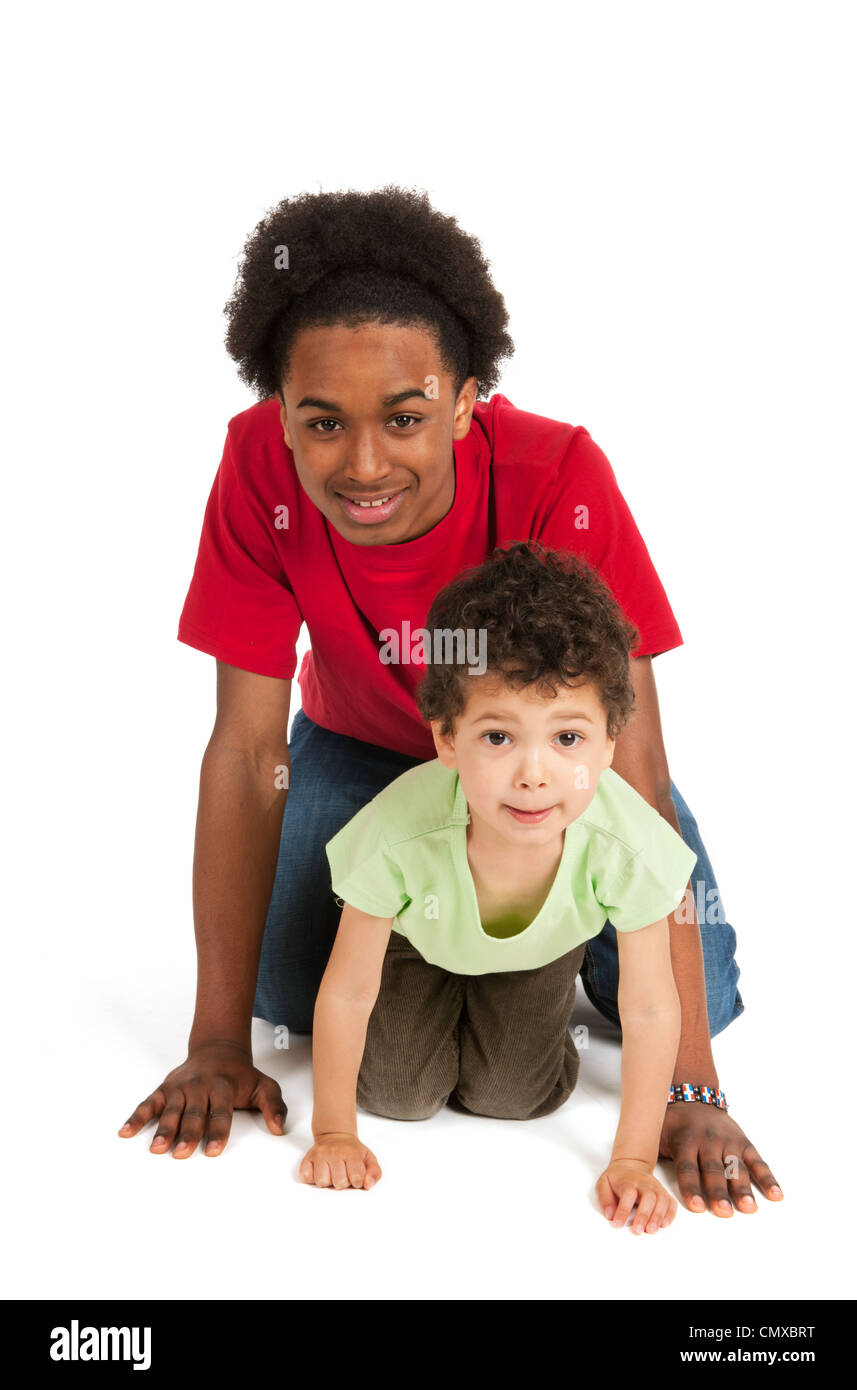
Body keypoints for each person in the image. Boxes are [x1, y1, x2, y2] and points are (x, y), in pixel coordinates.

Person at [118, 185, 782, 1218]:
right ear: (278, 413)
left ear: (467, 401)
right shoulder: (256, 469)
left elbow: (635, 762)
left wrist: (689, 1083)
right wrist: (214, 1041)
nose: (365, 462)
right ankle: (449, 925)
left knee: (699, 992)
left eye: (406, 417)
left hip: (542, 764)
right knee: (290, 997)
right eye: (322, 422)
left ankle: (529, 937)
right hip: (363, 751)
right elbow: (252, 752)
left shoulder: (557, 472)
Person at [301, 543, 696, 1235]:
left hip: (535, 957)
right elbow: (347, 989)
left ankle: (510, 1011)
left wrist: (632, 1158)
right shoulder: (398, 833)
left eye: (567, 737)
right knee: (397, 1093)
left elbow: (650, 1003)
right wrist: (333, 1131)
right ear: (446, 740)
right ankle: (437, 1014)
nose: (533, 774)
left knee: (517, 1096)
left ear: (609, 745)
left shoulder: (627, 847)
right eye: (496, 738)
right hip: (415, 949)